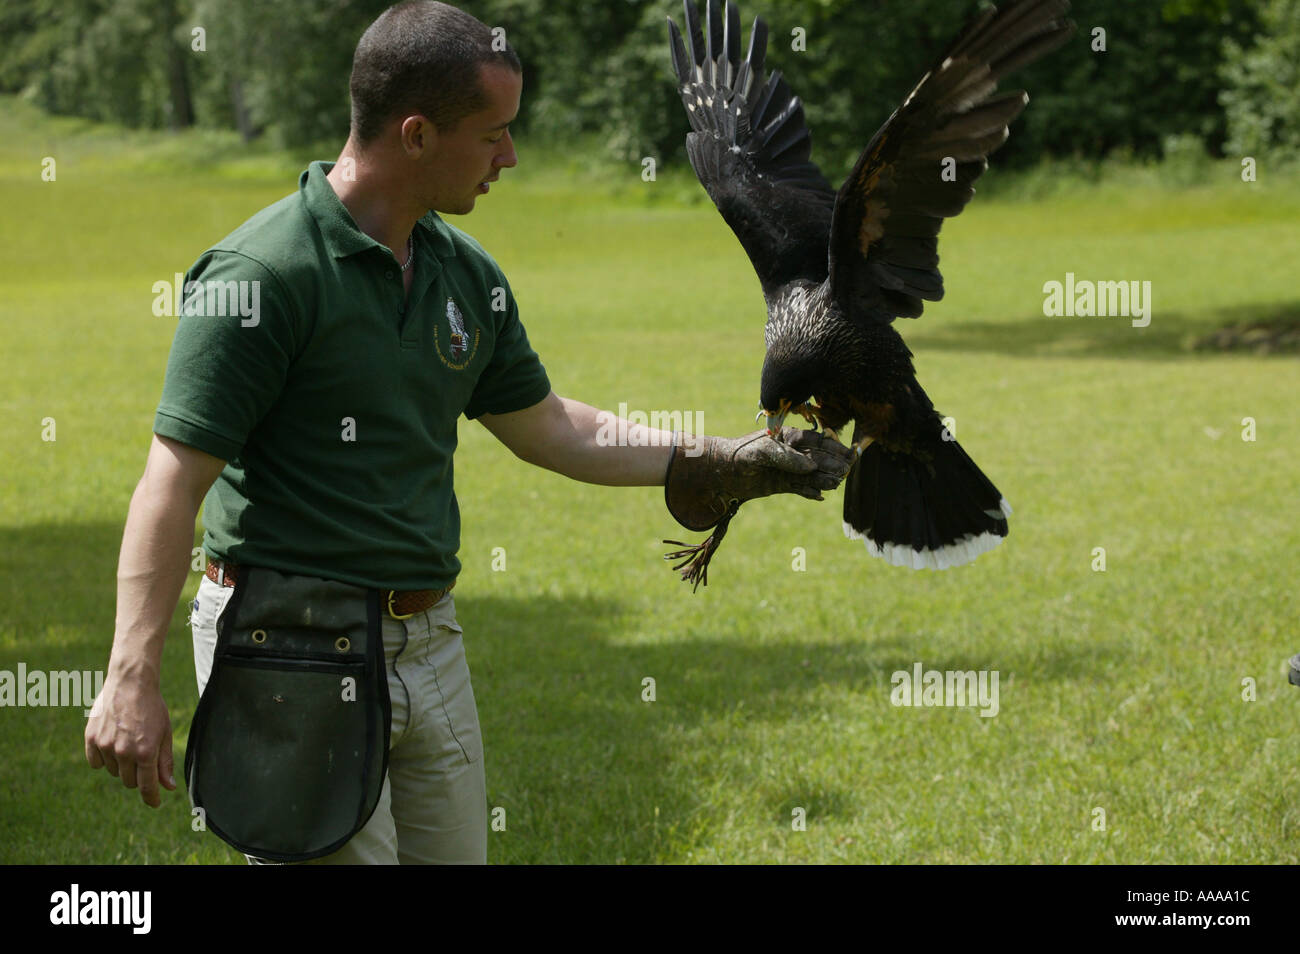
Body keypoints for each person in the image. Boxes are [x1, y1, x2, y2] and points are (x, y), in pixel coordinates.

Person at [84, 0, 854, 864]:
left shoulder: (464, 273)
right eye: (494, 134)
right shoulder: (263, 275)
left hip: (430, 638)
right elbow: (171, 480)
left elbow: (550, 427)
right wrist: (128, 675)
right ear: (416, 134)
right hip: (290, 644)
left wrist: (720, 459)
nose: (511, 156)